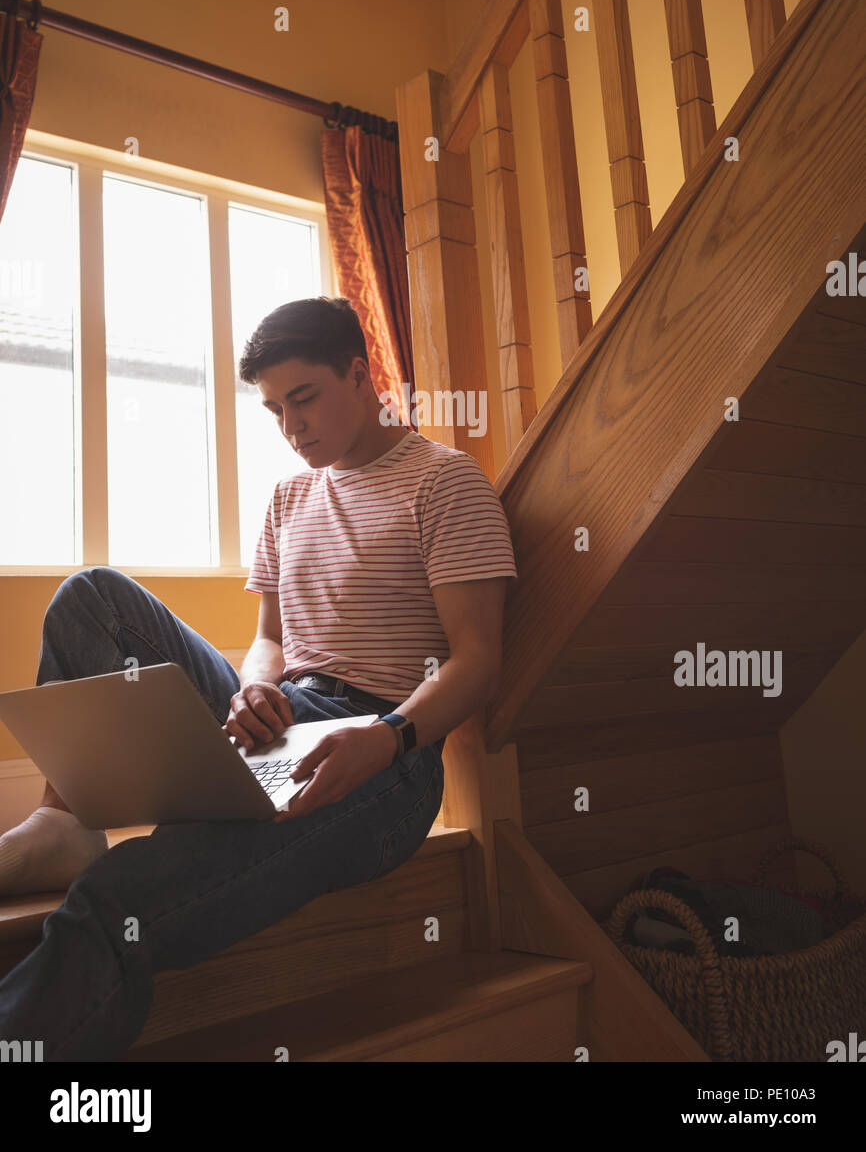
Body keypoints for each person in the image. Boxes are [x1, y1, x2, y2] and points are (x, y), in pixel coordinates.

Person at [0, 295, 517, 1060]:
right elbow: (270, 638)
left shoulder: (444, 482)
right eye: (275, 410)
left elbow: (479, 659)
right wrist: (251, 686)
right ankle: (63, 821)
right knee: (92, 596)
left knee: (119, 899)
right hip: (287, 710)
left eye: (303, 399)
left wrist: (388, 737)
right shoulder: (289, 497)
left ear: (357, 372)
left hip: (389, 757)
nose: (292, 427)